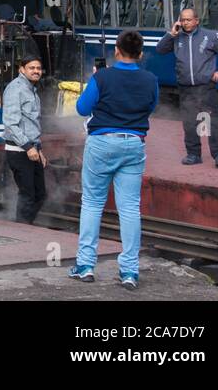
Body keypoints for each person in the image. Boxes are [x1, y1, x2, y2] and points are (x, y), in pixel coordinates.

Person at [70, 30, 158, 290]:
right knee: (130, 208)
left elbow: (81, 109)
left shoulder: (103, 77)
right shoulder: (150, 79)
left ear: (116, 51)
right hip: (134, 144)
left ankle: (85, 266)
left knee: (93, 203)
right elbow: (150, 107)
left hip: (102, 142)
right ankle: (129, 271)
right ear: (140, 54)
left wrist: (97, 84)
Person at [156, 7, 218, 168]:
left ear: (197, 20)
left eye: (188, 19)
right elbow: (160, 49)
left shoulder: (210, 36)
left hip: (205, 87)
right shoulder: (177, 37)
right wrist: (171, 33)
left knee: (210, 121)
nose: (185, 22)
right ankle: (193, 154)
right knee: (190, 122)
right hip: (185, 88)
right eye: (182, 19)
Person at [2, 54, 48, 224]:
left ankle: (25, 225)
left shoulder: (31, 89)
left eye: (38, 68)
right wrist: (29, 147)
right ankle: (22, 228)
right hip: (19, 150)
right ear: (21, 69)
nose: (36, 71)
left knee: (40, 194)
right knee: (28, 194)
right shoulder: (16, 89)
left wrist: (38, 149)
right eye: (31, 68)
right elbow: (11, 123)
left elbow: (31, 124)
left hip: (32, 149)